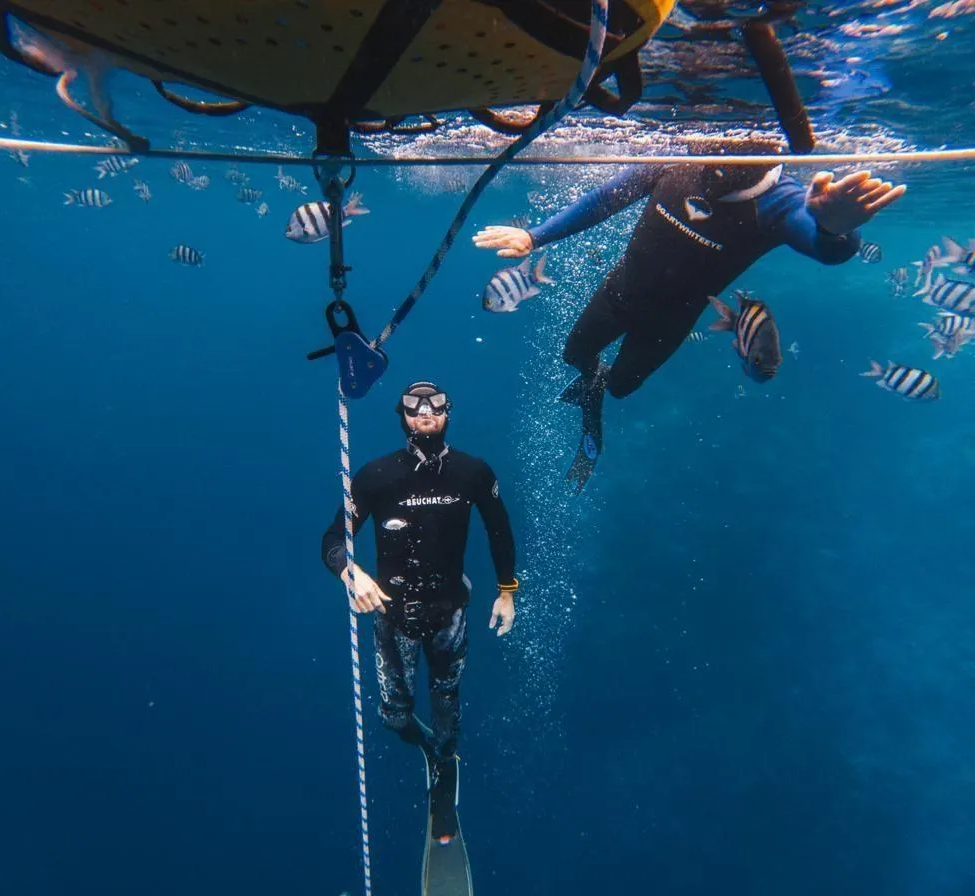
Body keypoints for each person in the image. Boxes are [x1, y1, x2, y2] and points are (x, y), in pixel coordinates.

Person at [472, 138, 908, 493]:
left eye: (721, 163)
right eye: (708, 155)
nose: (708, 168)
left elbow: (823, 246)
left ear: (766, 158)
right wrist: (536, 236)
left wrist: (836, 230)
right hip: (619, 293)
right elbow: (604, 198)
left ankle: (599, 390)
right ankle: (590, 388)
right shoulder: (674, 159)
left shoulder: (779, 202)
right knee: (574, 355)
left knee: (621, 387)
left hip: (669, 322)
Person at [320, 381, 518, 842]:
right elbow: (332, 539)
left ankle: (444, 768)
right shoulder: (375, 476)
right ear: (402, 415)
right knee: (394, 717)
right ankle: (426, 746)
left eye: (435, 404)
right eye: (414, 405)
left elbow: (500, 530)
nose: (425, 411)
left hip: (451, 612)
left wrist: (507, 591)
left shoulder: (472, 472)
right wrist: (351, 573)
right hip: (394, 616)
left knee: (447, 702)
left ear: (448, 412)